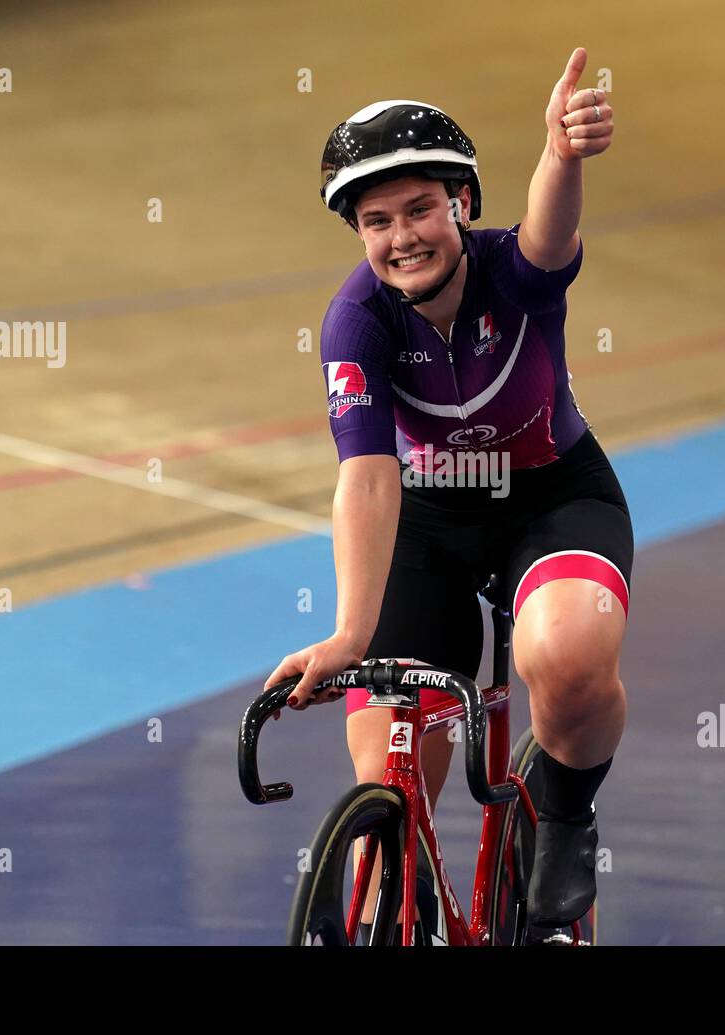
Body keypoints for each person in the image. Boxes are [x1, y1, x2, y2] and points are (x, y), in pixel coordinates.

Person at [264, 47, 631, 942]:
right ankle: (402, 898)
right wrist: (350, 634)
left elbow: (551, 228)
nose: (404, 237)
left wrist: (562, 155)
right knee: (384, 761)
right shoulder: (355, 322)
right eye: (378, 220)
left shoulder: (515, 270)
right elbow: (366, 474)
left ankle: (565, 811)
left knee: (568, 655)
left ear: (462, 203)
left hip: (549, 499)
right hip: (428, 522)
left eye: (422, 208)